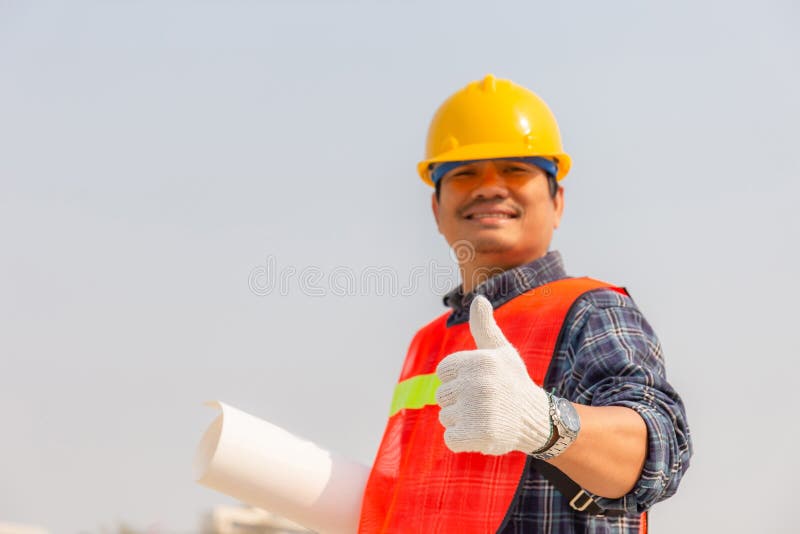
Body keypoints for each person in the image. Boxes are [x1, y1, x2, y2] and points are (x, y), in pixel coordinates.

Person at [358, 75, 692, 533]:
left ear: (558, 201)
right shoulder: (428, 343)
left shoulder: (589, 312)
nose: (490, 186)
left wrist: (544, 422)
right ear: (435, 209)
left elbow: (658, 451)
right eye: (464, 173)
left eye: (516, 169)